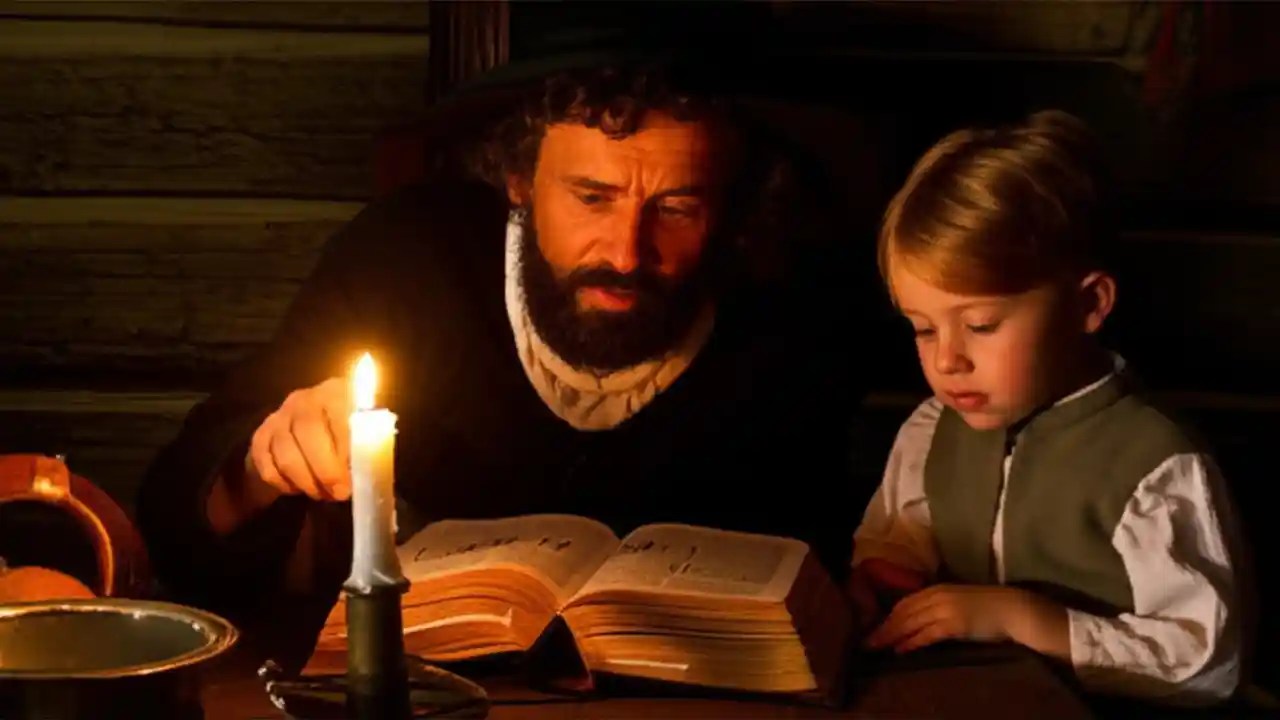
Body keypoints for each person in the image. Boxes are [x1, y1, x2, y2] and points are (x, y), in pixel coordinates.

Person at [136, 62, 866, 646]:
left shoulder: (781, 307)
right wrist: (261, 470)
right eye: (591, 197)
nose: (625, 252)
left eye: (676, 208)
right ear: (520, 178)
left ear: (728, 204)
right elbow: (178, 530)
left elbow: (830, 554)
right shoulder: (409, 261)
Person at [847, 110, 1247, 705]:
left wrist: (1025, 621)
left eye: (981, 325)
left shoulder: (1153, 464)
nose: (948, 359)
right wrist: (884, 579)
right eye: (924, 329)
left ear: (1088, 305)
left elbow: (1206, 663)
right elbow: (901, 542)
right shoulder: (932, 430)